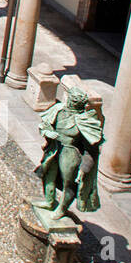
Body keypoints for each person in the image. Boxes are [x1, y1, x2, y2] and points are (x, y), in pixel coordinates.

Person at [35, 87, 103, 219]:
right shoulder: (59, 110)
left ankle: (62, 208)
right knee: (48, 174)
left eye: (75, 101)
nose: (72, 103)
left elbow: (92, 149)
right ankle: (49, 201)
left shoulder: (86, 120)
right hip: (55, 148)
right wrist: (47, 132)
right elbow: (44, 125)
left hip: (70, 153)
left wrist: (85, 167)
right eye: (72, 100)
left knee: (69, 184)